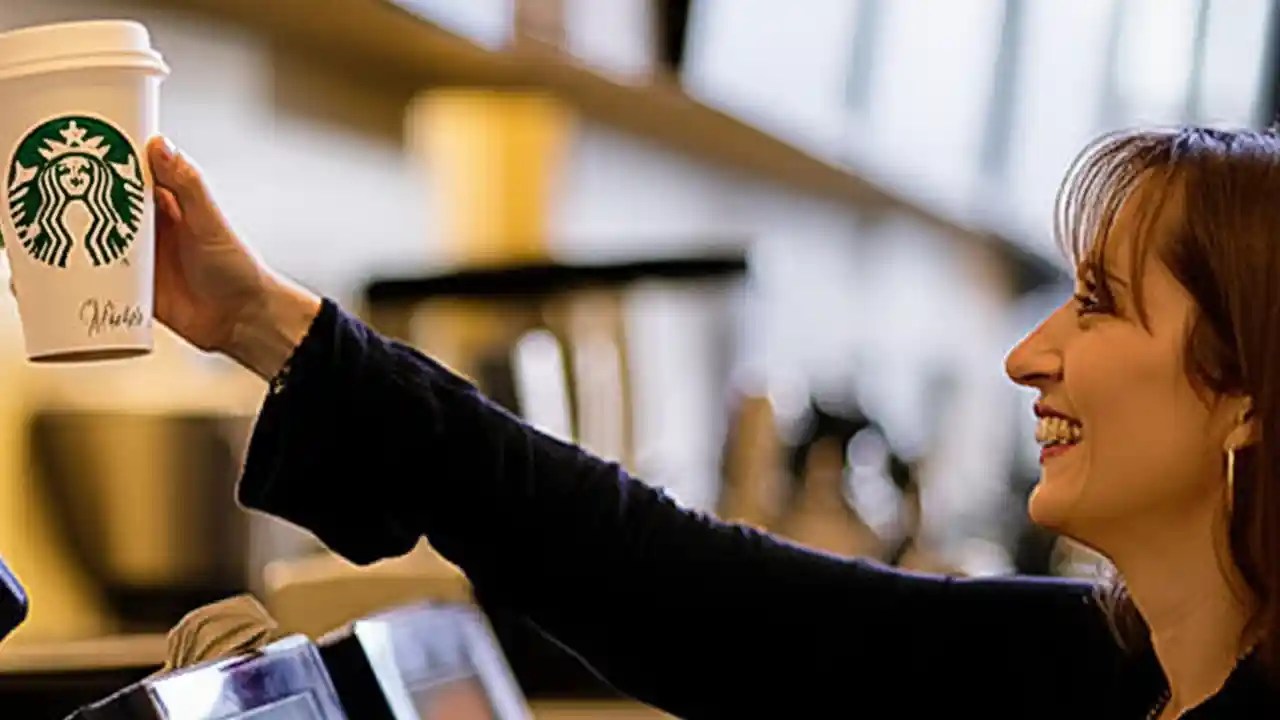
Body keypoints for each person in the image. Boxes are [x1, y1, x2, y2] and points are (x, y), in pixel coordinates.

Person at [134, 126, 1280, 719]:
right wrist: (264, 322)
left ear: (1243, 395)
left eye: (1096, 306)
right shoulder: (1099, 675)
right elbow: (688, 590)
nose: (1027, 356)